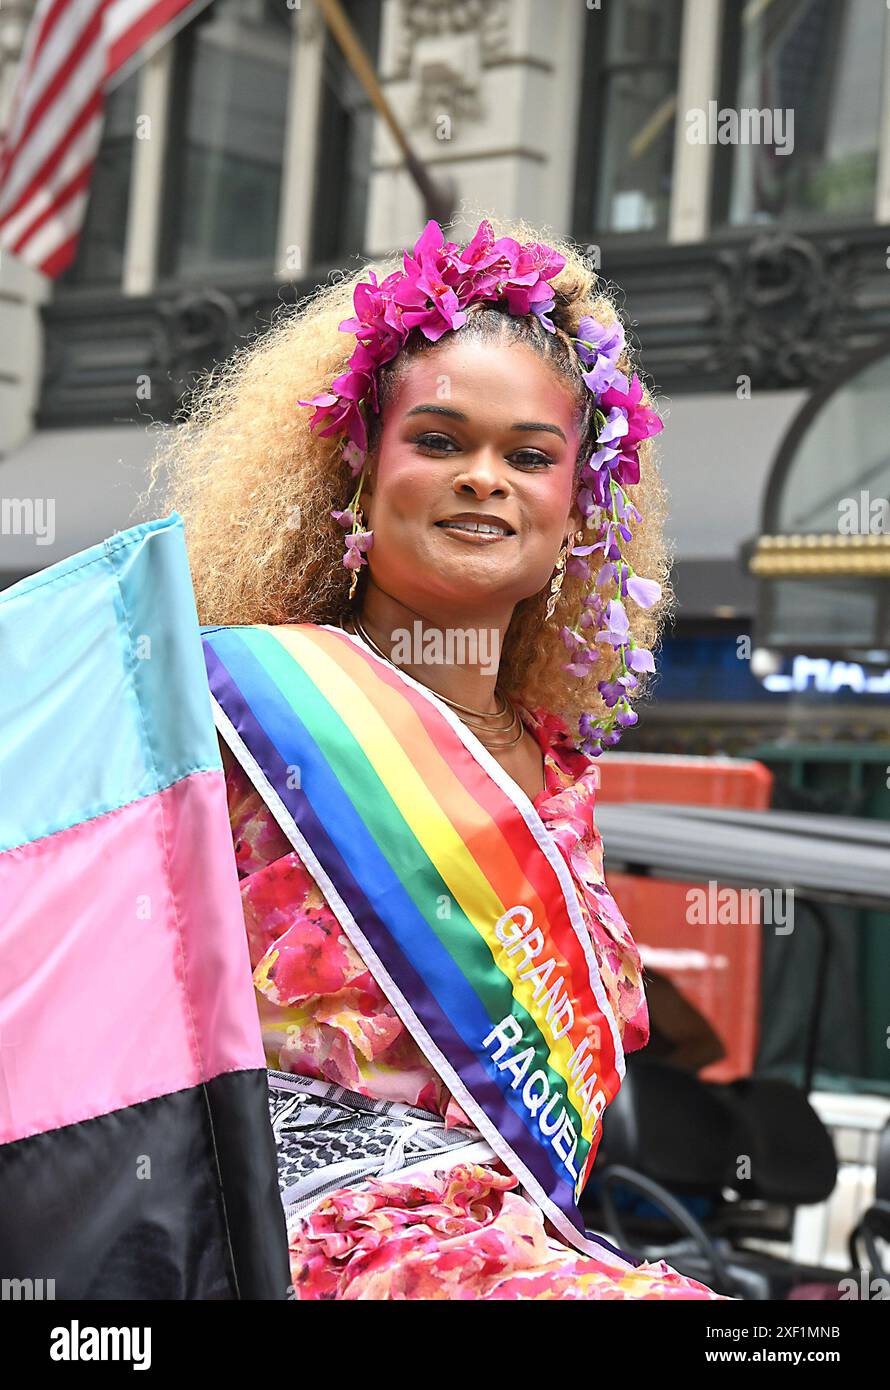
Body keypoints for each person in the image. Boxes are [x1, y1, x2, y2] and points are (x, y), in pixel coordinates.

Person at [155, 217, 727, 1300]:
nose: (483, 478)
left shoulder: (561, 786)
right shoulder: (233, 704)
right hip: (264, 1250)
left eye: (526, 455)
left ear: (574, 514)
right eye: (438, 440)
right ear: (358, 473)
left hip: (496, 1250)